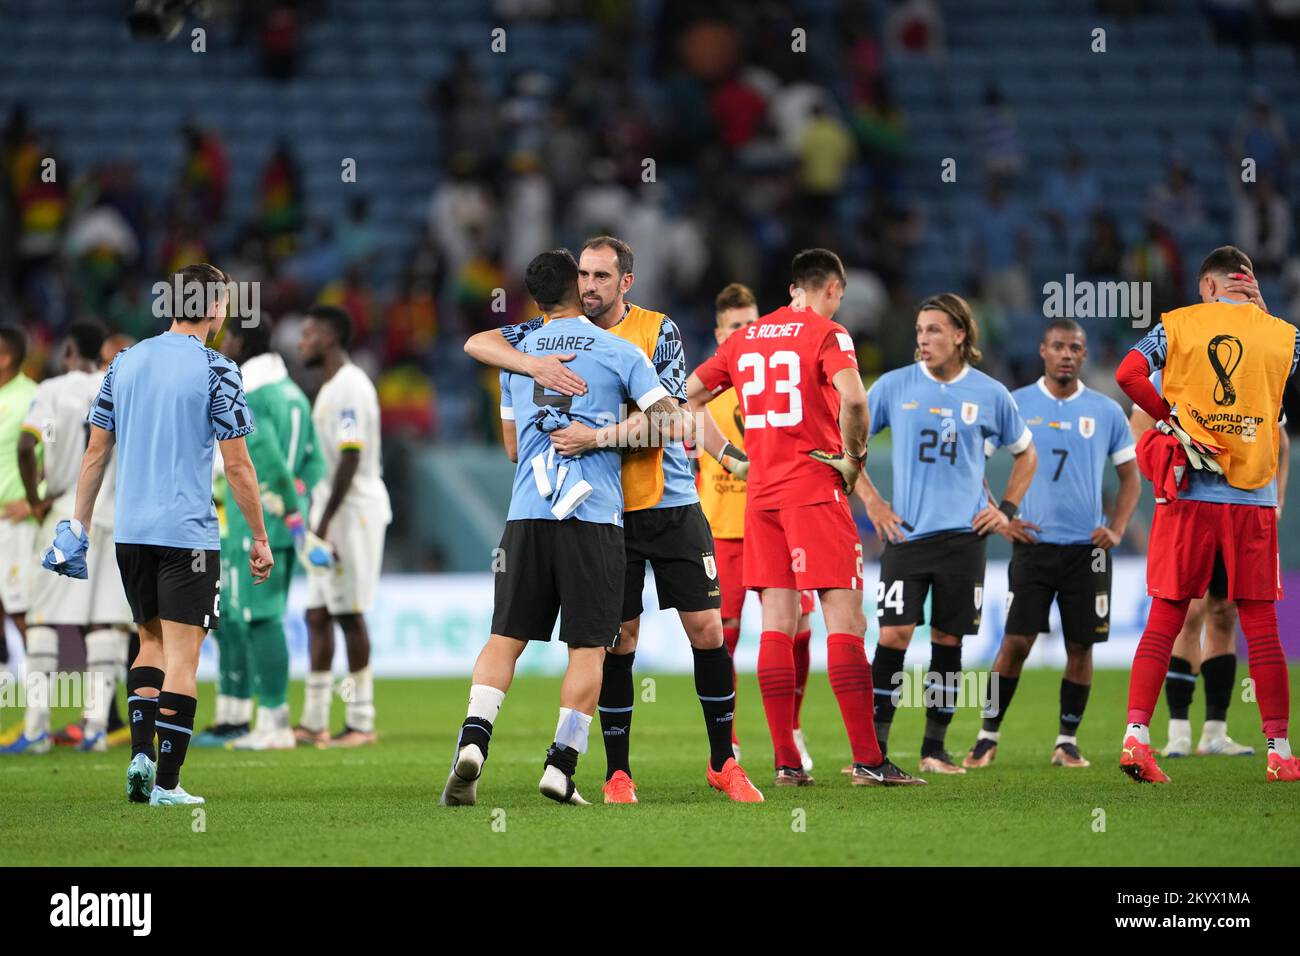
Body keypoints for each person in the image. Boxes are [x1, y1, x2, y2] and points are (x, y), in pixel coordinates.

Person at [466, 236, 760, 804]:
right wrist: (529, 362)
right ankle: (617, 773)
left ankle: (725, 761)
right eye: (583, 275)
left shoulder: (656, 333)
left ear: (626, 282)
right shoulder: (541, 339)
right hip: (603, 517)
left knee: (708, 628)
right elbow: (478, 341)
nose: (590, 285)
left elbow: (673, 423)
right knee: (617, 640)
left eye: (602, 277)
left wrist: (597, 436)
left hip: (669, 503)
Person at [441, 249, 686, 806]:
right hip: (593, 518)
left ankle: (475, 739)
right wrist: (605, 433)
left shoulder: (515, 355)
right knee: (588, 648)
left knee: (505, 637)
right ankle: (560, 765)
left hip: (527, 514)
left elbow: (509, 447)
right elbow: (670, 421)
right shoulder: (621, 350)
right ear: (578, 287)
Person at [688, 247, 923, 787]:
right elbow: (856, 402)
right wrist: (855, 457)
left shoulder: (745, 338)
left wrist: (727, 456)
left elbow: (687, 400)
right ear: (834, 290)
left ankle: (785, 762)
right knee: (847, 622)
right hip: (814, 491)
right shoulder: (828, 333)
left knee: (776, 622)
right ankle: (868, 759)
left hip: (761, 497)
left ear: (794, 286)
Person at [45, 262, 273, 806]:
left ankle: (141, 755)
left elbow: (96, 451)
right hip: (188, 535)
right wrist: (260, 536)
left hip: (132, 533)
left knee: (147, 642)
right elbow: (237, 466)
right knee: (183, 659)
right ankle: (167, 784)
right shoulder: (219, 369)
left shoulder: (123, 363)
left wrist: (77, 523)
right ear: (215, 308)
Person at [1116, 245, 1299, 783]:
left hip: (1188, 493)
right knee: (1260, 626)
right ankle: (1280, 752)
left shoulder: (1177, 325)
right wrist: (1265, 320)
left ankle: (1136, 739)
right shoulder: (1284, 335)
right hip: (1253, 500)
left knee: (1167, 617)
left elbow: (1129, 374)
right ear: (1249, 285)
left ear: (1207, 287)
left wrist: (1171, 420)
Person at [858, 293, 1037, 775]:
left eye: (934, 330)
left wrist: (1005, 510)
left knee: (948, 641)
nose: (923, 339)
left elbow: (1027, 453)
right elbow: (845, 448)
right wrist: (874, 502)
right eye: (919, 330)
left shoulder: (990, 393)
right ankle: (872, 754)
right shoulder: (893, 387)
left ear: (961, 335)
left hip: (964, 538)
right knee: (893, 634)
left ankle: (934, 750)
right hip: (906, 537)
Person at [963, 319, 1139, 770]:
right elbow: (972, 464)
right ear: (1042, 350)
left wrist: (1116, 528)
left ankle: (1067, 741)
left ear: (1084, 355)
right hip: (1034, 547)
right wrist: (1001, 518)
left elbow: (1130, 477)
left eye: (1075, 347)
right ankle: (986, 736)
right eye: (1058, 345)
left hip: (1089, 551)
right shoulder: (1016, 404)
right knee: (1016, 642)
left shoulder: (1106, 411)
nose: (1066, 353)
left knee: (1081, 646)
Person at [696, 282, 817, 771]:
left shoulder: (779, 377)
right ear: (720, 332)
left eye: (752, 325)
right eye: (736, 327)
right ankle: (732, 737)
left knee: (801, 630)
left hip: (779, 523)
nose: (746, 333)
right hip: (723, 531)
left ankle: (791, 728)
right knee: (723, 635)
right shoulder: (704, 389)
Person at [3, 322, 130, 755]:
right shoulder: (122, 386)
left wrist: (36, 499)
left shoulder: (54, 390)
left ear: (70, 350)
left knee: (41, 619)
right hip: (114, 519)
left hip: (65, 514)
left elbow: (26, 445)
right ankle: (96, 728)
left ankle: (37, 728)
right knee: (105, 623)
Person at [200, 316, 326, 751]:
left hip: (256, 518)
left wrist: (286, 508)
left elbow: (265, 455)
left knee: (258, 617)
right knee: (243, 615)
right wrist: (299, 503)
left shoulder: (251, 393)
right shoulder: (294, 393)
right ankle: (251, 717)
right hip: (282, 516)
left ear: (237, 341)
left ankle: (274, 723)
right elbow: (314, 460)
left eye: (226, 339)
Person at [294, 305, 391, 748]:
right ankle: (314, 720)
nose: (301, 342)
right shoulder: (331, 387)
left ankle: (361, 720)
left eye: (309, 333)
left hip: (353, 512)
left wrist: (326, 522)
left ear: (331, 337)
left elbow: (351, 457)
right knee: (316, 613)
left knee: (348, 613)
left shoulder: (350, 386)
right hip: (330, 512)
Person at [0, 325, 37, 735]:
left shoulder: (31, 397)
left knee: (24, 614)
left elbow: (56, 453)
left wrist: (35, 500)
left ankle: (37, 718)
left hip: (17, 523)